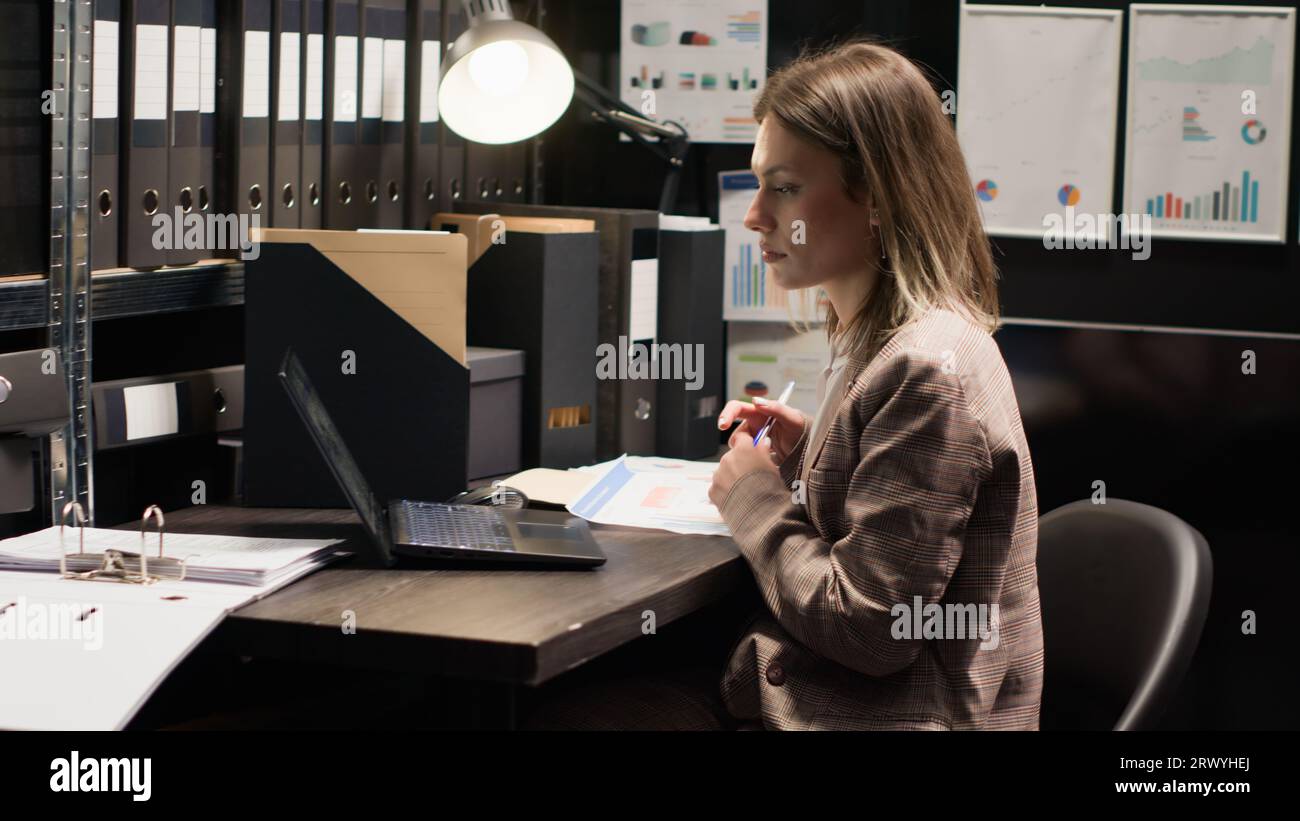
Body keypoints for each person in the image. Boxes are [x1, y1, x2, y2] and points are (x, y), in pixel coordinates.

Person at [525, 38, 1043, 731]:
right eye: (758, 180)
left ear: (877, 197)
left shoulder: (925, 372)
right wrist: (811, 455)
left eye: (785, 186)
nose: (754, 215)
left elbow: (872, 630)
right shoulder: (895, 340)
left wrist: (755, 498)